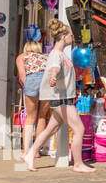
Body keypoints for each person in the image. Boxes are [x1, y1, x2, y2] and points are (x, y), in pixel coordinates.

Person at [23, 20, 94, 173]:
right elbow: (54, 68)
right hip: (62, 100)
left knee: (50, 129)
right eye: (69, 35)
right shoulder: (56, 54)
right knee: (79, 129)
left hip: (61, 98)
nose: (71, 38)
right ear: (63, 37)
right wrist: (53, 76)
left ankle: (29, 155)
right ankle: (78, 164)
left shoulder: (61, 54)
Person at [15, 40, 50, 160]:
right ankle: (36, 151)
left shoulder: (22, 56)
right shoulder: (46, 56)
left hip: (33, 80)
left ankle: (26, 151)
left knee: (30, 117)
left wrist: (28, 89)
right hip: (47, 81)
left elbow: (22, 75)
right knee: (41, 117)